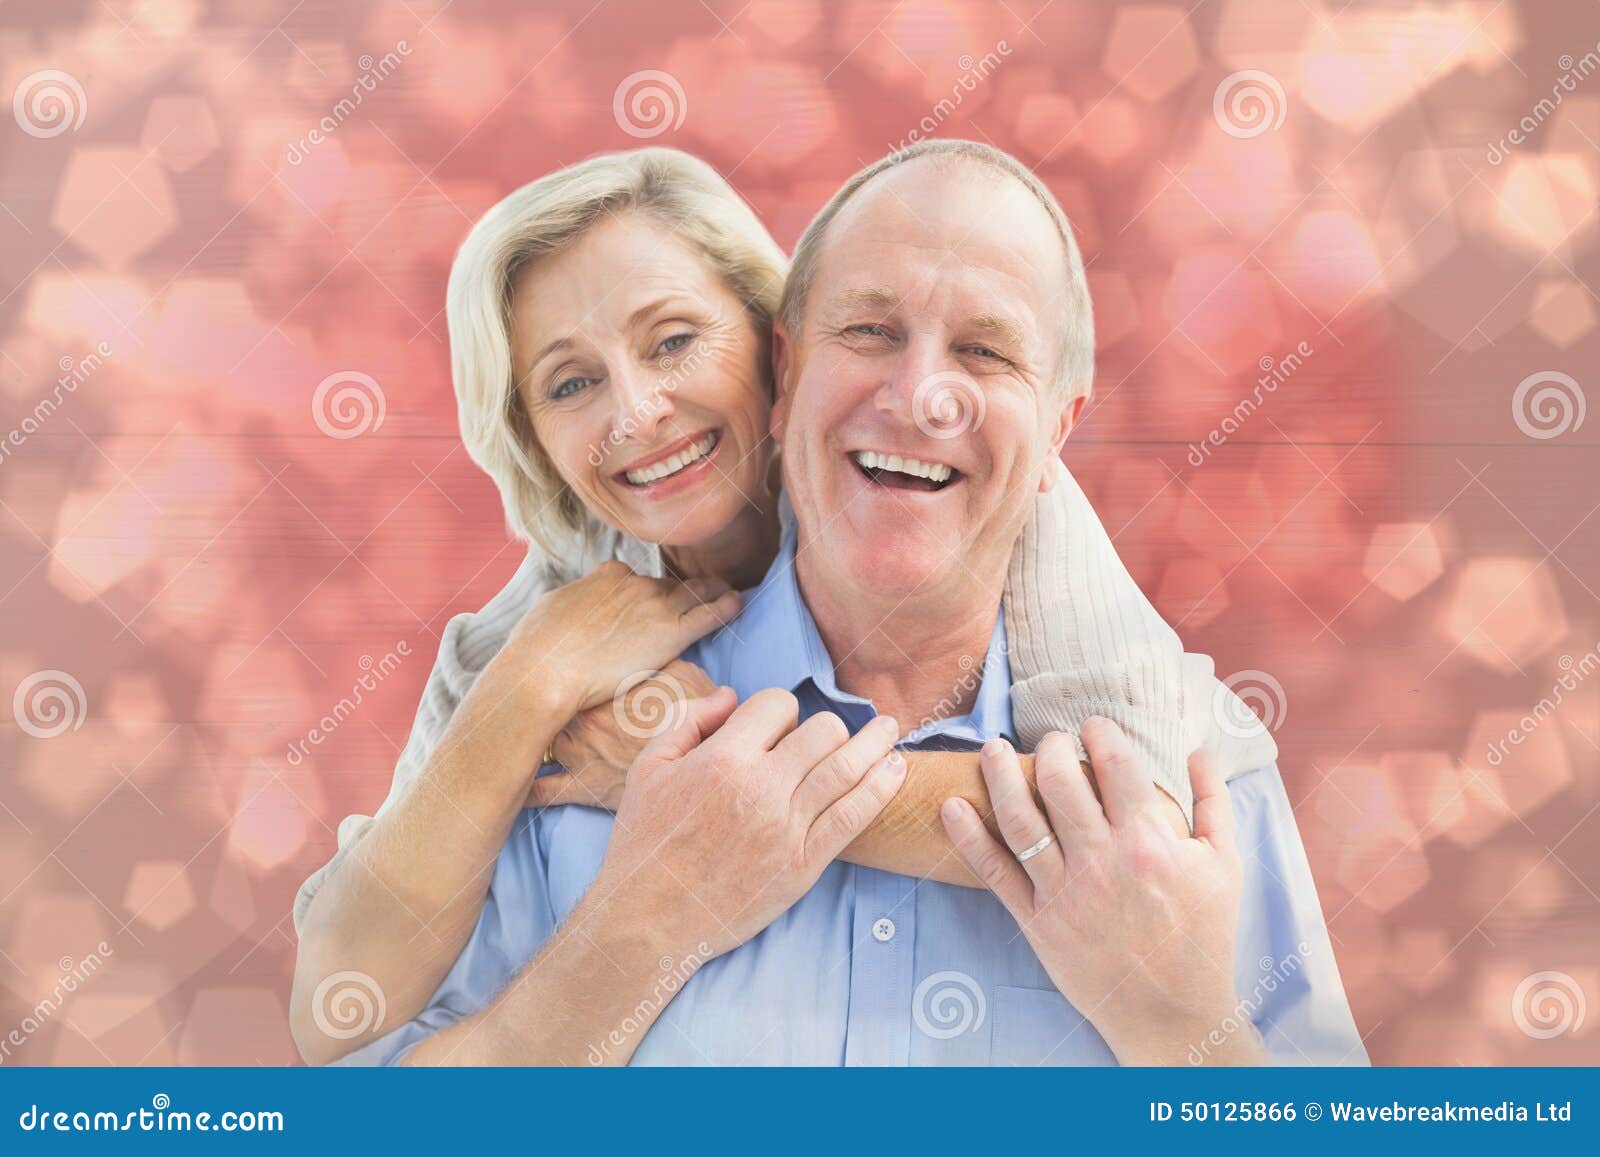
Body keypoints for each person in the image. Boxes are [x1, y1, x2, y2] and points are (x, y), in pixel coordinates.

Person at [317, 140, 1361, 1067]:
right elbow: (338, 1024)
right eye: (868, 329)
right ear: (794, 361)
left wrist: (1184, 1034)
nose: (637, 411)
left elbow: (1137, 806)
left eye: (674, 340)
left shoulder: (1179, 739)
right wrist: (635, 916)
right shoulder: (558, 719)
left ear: (1056, 429)